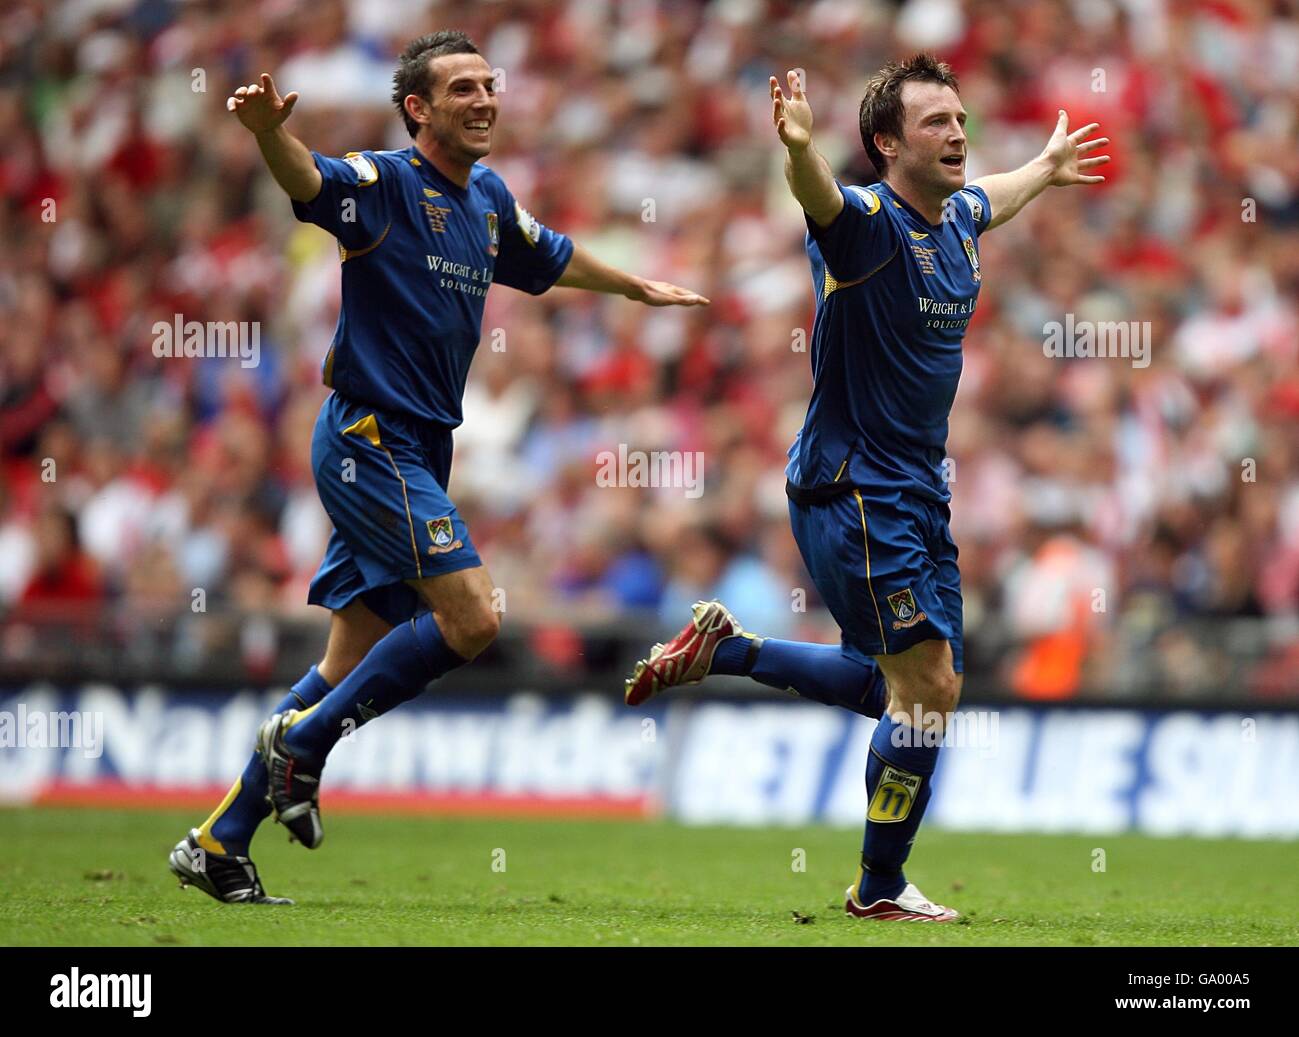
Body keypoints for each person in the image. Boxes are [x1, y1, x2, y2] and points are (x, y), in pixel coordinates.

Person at [170, 30, 708, 904]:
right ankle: (302, 747)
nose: (486, 98)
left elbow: (553, 256)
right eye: (463, 88)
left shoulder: (488, 197)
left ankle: (218, 838)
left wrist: (637, 288)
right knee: (475, 616)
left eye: (490, 84)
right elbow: (309, 181)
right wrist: (270, 133)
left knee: (349, 660)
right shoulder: (384, 185)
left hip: (419, 447)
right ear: (418, 108)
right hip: (367, 437)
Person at [624, 53, 1108, 922]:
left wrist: (1044, 167)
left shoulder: (957, 216)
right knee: (929, 689)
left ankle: (732, 653)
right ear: (887, 143)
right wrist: (800, 150)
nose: (957, 133)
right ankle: (878, 886)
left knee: (904, 688)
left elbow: (992, 195)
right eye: (936, 123)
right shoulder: (865, 226)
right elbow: (821, 195)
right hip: (856, 486)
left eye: (960, 119)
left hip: (917, 490)